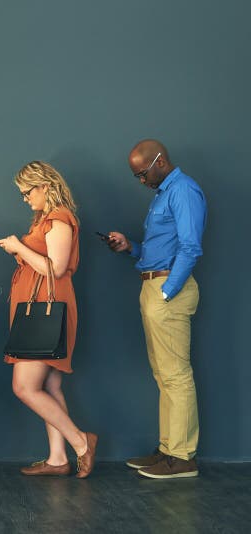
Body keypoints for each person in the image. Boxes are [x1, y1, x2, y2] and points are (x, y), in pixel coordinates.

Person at [106, 139, 206, 479]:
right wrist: (130, 247)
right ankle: (167, 450)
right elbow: (160, 248)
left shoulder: (184, 190)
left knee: (176, 376)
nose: (141, 181)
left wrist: (166, 292)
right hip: (154, 285)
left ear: (159, 161)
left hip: (168, 292)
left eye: (142, 173)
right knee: (164, 375)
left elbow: (190, 248)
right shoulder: (164, 193)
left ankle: (182, 457)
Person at [0, 161, 97, 478]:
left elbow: (55, 268)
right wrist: (19, 251)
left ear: (46, 187)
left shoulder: (59, 219)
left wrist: (17, 246)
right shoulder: (44, 220)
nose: (26, 199)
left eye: (28, 192)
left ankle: (81, 442)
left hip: (46, 313)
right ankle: (57, 459)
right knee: (50, 385)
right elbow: (41, 262)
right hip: (37, 311)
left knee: (25, 387)